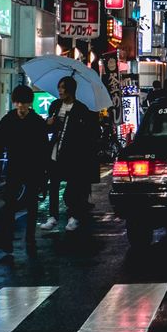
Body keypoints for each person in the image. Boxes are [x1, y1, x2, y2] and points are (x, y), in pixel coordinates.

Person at [0, 85, 49, 259]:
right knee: (9, 203)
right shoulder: (8, 120)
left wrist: (44, 171)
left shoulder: (37, 122)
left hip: (33, 166)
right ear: (15, 103)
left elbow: (43, 147)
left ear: (30, 103)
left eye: (25, 104)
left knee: (32, 203)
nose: (21, 107)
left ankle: (30, 237)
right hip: (15, 165)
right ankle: (7, 240)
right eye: (19, 103)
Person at [41, 76, 99, 233]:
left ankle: (74, 216)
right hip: (55, 151)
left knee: (73, 186)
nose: (59, 90)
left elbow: (89, 133)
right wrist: (49, 124)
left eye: (62, 87)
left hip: (73, 154)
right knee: (53, 185)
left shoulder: (81, 109)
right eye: (59, 87)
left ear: (70, 90)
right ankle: (52, 216)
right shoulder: (54, 106)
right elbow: (48, 129)